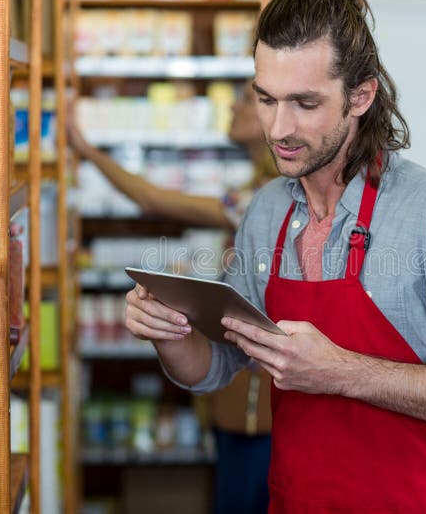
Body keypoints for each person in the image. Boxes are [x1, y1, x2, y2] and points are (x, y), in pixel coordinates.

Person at [125, 0, 426, 512]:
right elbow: (215, 366)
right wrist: (168, 332)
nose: (279, 128)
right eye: (266, 99)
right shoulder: (266, 213)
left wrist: (340, 371)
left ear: (361, 96)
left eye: (305, 103)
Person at [68, 84, 275, 514]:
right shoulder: (255, 190)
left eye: (245, 99)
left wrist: (86, 149)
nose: (232, 105)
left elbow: (151, 197)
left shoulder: (263, 200)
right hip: (239, 398)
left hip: (257, 409)